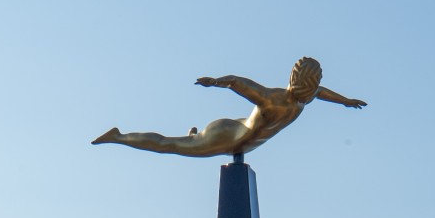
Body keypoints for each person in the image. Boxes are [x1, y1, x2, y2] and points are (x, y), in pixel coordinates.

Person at [93, 57, 365, 158]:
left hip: (243, 133)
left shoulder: (309, 94)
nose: (311, 95)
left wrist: (347, 101)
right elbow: (238, 82)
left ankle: (193, 135)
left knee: (183, 142)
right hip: (229, 136)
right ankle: (117, 135)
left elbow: (324, 93)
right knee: (170, 145)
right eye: (308, 90)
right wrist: (215, 82)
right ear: (297, 84)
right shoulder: (273, 98)